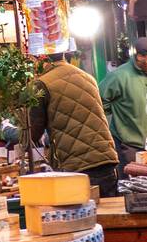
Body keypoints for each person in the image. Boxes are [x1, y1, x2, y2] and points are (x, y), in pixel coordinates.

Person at [29, 55, 120, 197]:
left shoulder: (42, 84)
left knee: (79, 215)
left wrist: (6, 129)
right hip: (106, 159)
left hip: (77, 166)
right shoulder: (88, 77)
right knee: (107, 213)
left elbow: (33, 132)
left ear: (40, 60)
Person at [99, 37, 147, 169]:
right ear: (140, 57)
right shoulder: (119, 76)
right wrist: (116, 122)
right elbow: (99, 101)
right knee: (131, 186)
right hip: (128, 147)